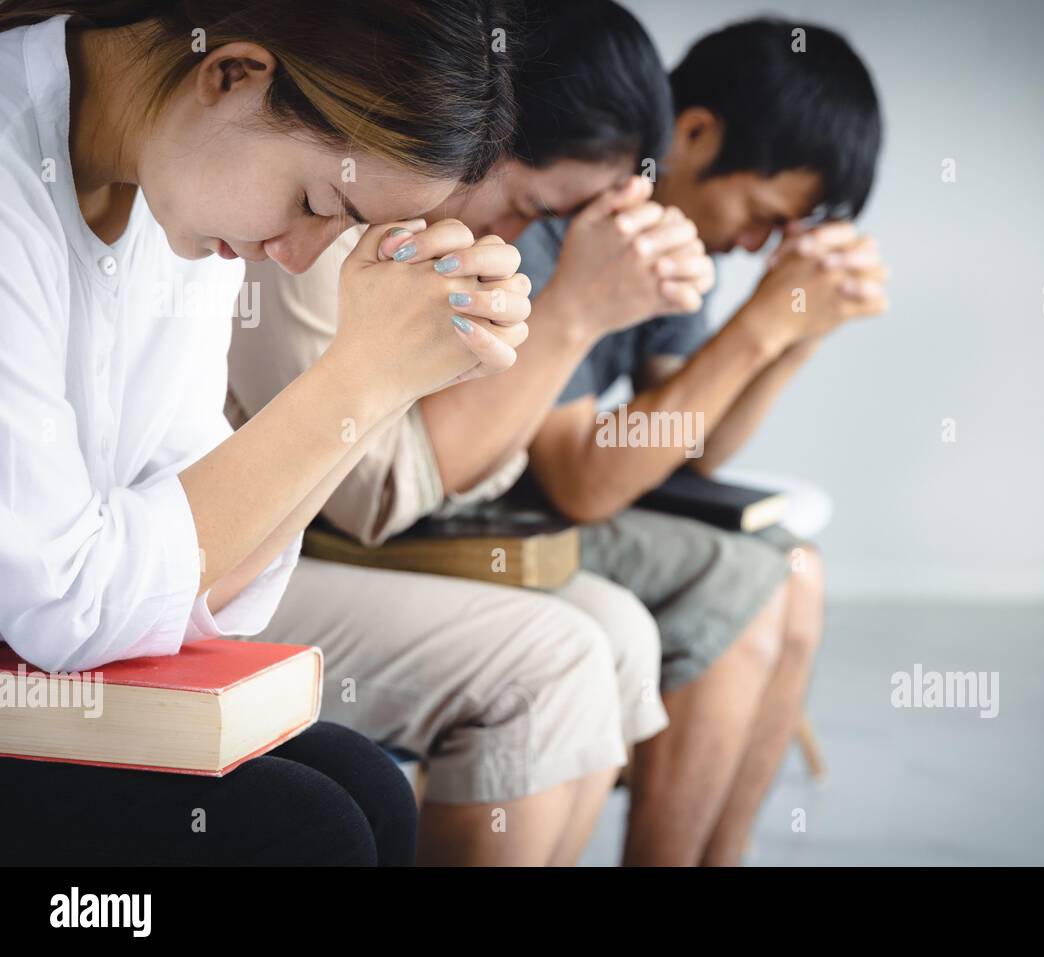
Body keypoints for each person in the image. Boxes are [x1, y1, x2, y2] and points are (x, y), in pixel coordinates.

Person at [0, 0, 525, 865]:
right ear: (233, 74)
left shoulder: (182, 202)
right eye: (318, 199)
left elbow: (193, 551)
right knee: (307, 829)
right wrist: (363, 375)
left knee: (368, 786)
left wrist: (397, 374)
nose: (297, 252)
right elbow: (70, 602)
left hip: (41, 670)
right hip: (38, 653)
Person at [225, 0, 694, 865]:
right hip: (253, 561)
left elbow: (463, 473)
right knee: (549, 664)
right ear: (481, 138)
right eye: (528, 204)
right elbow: (375, 497)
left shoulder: (433, 234)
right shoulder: (323, 214)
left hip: (313, 551)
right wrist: (575, 314)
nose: (518, 235)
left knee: (621, 631)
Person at [510, 17, 889, 865]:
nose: (753, 245)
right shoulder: (563, 210)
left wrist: (798, 333)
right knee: (750, 592)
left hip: (562, 500)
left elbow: (693, 448)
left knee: (800, 570)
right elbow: (581, 485)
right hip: (499, 510)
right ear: (694, 131)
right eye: (760, 214)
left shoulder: (683, 237)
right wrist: (760, 325)